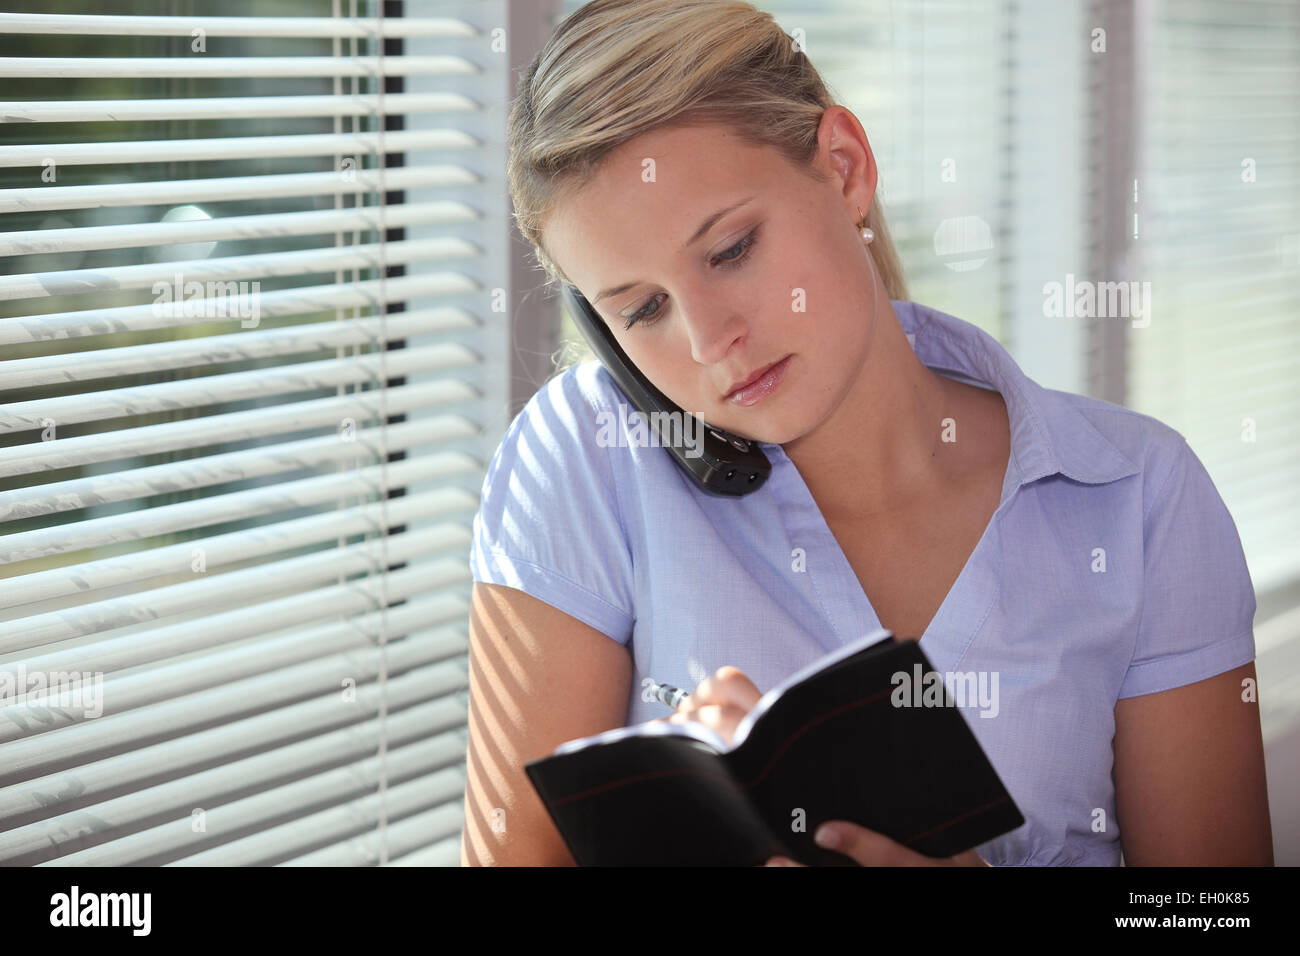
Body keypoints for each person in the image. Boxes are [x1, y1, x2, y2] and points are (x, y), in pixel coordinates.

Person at [459, 0, 1273, 867]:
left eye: (731, 249)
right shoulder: (586, 458)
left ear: (844, 168)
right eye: (643, 309)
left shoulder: (1138, 496)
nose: (708, 341)